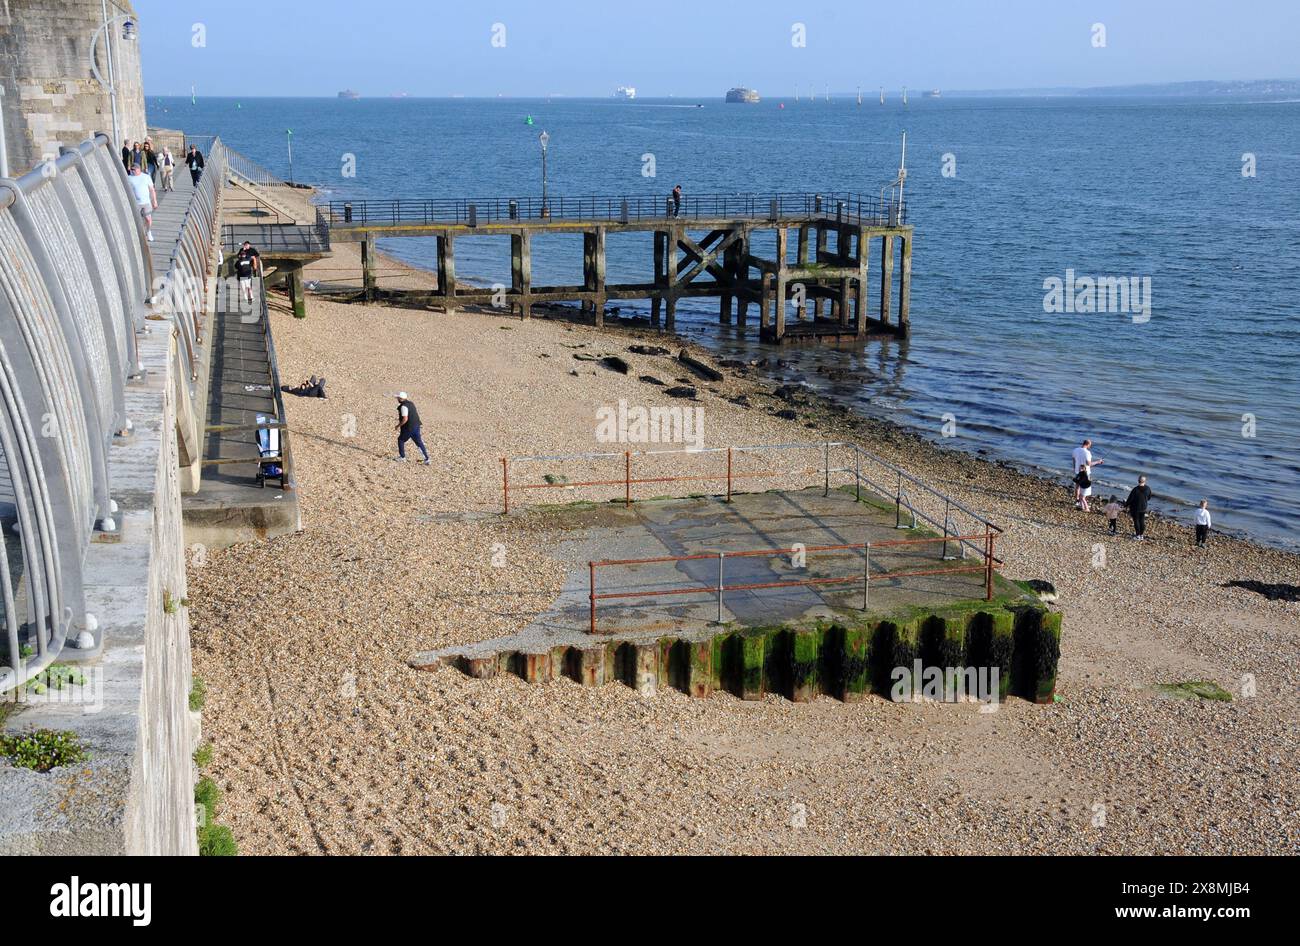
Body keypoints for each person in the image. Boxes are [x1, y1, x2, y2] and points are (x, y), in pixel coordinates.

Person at [392, 392, 430, 464]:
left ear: (400, 399)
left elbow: (405, 419)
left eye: (398, 398)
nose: (397, 399)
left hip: (408, 427)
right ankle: (427, 459)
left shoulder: (403, 407)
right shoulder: (411, 403)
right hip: (416, 425)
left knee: (401, 440)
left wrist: (398, 425)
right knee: (419, 442)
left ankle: (402, 457)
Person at [127, 164, 157, 242]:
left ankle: (148, 232)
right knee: (136, 220)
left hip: (146, 202)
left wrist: (154, 201)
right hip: (135, 203)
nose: (132, 171)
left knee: (148, 219)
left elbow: (152, 190)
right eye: (132, 169)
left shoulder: (146, 177)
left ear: (139, 169)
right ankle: (138, 235)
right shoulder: (129, 178)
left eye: (134, 169)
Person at [1070, 438, 1103, 508]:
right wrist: (1098, 462)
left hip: (1077, 471)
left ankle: (1078, 501)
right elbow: (1089, 464)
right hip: (1086, 473)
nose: (1090, 447)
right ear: (1088, 444)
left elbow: (1074, 461)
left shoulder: (1075, 450)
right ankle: (1083, 501)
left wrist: (1074, 469)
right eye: (1090, 445)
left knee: (1077, 486)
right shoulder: (1087, 452)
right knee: (1085, 486)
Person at [1125, 475, 1152, 540]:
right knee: (1142, 521)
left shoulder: (1135, 489)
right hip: (1143, 507)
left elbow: (1130, 499)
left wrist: (1125, 505)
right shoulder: (1148, 489)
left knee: (1136, 521)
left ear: (1138, 481)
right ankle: (1141, 535)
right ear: (1145, 481)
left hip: (1135, 508)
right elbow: (1149, 497)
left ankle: (1138, 535)